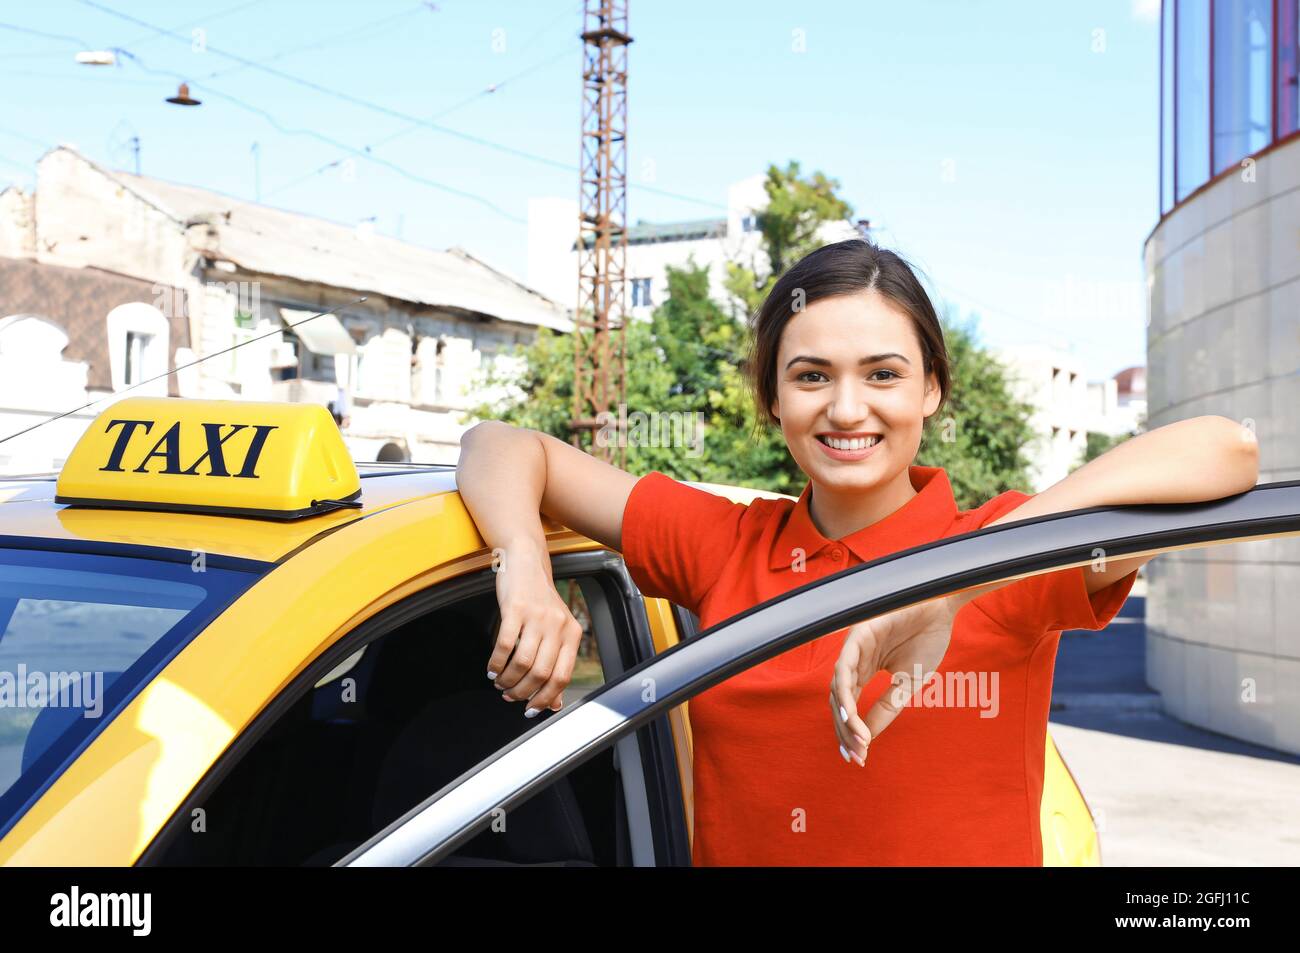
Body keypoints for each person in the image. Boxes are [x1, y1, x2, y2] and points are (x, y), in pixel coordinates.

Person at [455, 238, 1259, 865]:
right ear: (772, 398)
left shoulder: (1008, 550)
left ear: (931, 390)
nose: (847, 408)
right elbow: (498, 444)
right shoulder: (725, 542)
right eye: (810, 376)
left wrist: (956, 583)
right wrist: (522, 566)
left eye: (883, 373)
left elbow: (1226, 451)